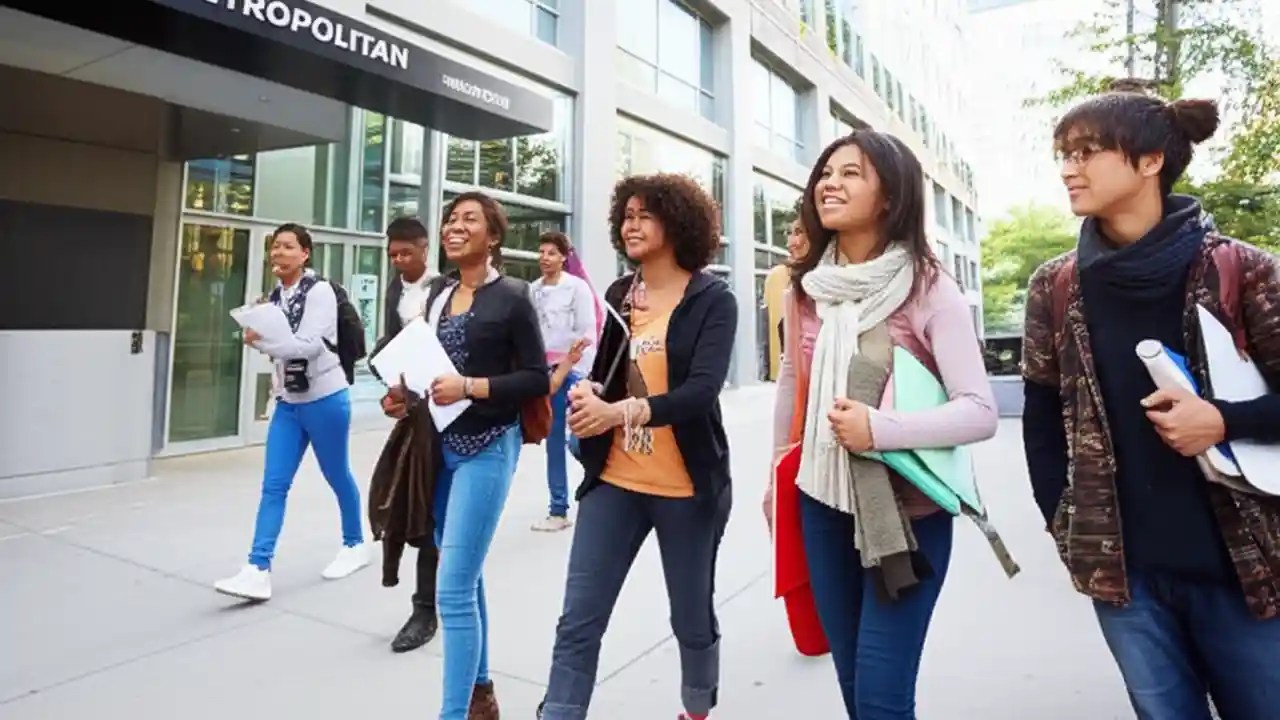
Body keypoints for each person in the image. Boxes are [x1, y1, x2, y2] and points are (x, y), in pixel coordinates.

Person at [1021, 87, 1280, 719]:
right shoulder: (1055, 286)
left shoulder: (1240, 271)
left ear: (1149, 162)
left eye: (1087, 152)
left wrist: (1223, 419)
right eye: (1064, 153)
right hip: (1125, 578)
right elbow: (1040, 418)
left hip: (1246, 567)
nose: (1068, 168)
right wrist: (1067, 528)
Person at [768, 130, 999, 717]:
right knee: (854, 687)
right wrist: (776, 475)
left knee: (881, 698)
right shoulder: (806, 288)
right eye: (826, 172)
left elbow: (980, 410)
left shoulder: (927, 287)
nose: (830, 183)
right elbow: (793, 382)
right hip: (822, 503)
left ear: (890, 197)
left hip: (908, 518)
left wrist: (881, 429)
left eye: (851, 173)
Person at [538, 173, 737, 720]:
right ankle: (560, 710)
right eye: (626, 214)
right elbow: (608, 375)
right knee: (579, 617)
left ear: (677, 223)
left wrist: (618, 411)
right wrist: (587, 394)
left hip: (687, 489)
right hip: (616, 484)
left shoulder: (713, 301)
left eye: (644, 214)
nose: (631, 223)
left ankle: (696, 707)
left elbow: (699, 393)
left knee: (690, 616)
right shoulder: (620, 295)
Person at [381, 191, 548, 720]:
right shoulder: (436, 296)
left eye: (468, 220)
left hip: (487, 447)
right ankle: (481, 694)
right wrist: (402, 398)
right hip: (438, 449)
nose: (454, 227)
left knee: (451, 589)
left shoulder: (515, 297)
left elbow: (535, 378)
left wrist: (471, 387)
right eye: (450, 219)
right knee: (466, 575)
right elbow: (427, 370)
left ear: (492, 236)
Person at [215, 222, 369, 601]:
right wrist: (259, 336)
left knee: (337, 474)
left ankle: (355, 544)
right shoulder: (274, 298)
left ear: (305, 254)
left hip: (325, 399)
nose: (278, 253)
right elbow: (282, 348)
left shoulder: (319, 293)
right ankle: (257, 568)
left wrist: (264, 339)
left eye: (287, 246)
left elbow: (309, 346)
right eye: (274, 247)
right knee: (274, 485)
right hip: (289, 401)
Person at [368, 216, 440, 654]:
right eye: (393, 255)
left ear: (424, 248)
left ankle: (427, 606)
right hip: (414, 411)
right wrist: (389, 387)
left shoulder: (444, 288)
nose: (399, 262)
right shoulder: (395, 289)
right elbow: (392, 342)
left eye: (406, 253)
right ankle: (424, 603)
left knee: (433, 514)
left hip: (448, 407)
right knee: (407, 504)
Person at [529, 231, 600, 532]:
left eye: (551, 252)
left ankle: (599, 477)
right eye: (541, 252)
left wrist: (580, 372)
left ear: (563, 257)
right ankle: (558, 508)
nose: (545, 257)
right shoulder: (533, 290)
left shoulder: (577, 288)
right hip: (544, 372)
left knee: (577, 438)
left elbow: (587, 332)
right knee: (553, 439)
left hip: (572, 369)